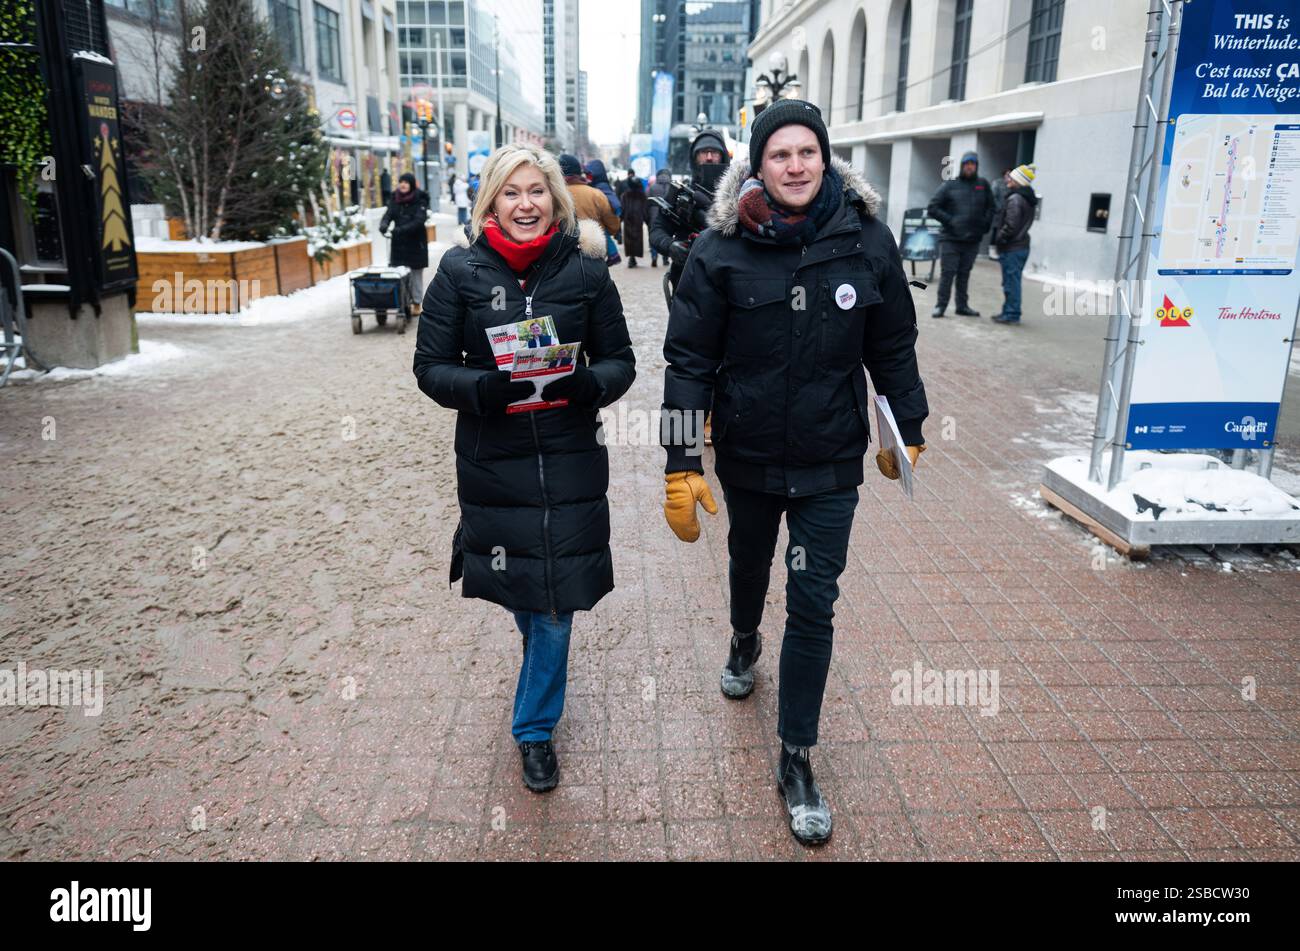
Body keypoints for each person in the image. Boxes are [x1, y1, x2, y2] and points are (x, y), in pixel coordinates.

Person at [660, 99, 928, 847]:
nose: (796, 165)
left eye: (808, 151)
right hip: (746, 452)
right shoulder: (719, 251)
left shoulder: (865, 239)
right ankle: (743, 636)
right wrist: (682, 459)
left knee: (814, 599)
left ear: (825, 157)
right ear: (758, 164)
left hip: (830, 459)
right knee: (750, 563)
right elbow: (687, 362)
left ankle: (797, 756)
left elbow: (895, 341)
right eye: (780, 154)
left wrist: (909, 424)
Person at [413, 144, 636, 794]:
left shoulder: (587, 272)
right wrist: (487, 390)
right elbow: (429, 368)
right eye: (511, 192)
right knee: (531, 599)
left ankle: (533, 731)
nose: (525, 203)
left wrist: (587, 382)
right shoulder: (460, 272)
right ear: (491, 200)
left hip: (568, 459)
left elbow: (621, 360)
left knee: (556, 606)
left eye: (536, 190)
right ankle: (539, 659)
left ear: (555, 199)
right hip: (495, 463)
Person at [649, 128, 730, 299]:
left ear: (723, 156)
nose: (709, 157)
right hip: (689, 281)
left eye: (714, 152)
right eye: (703, 152)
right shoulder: (680, 194)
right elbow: (656, 231)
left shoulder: (738, 193)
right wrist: (671, 246)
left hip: (730, 282)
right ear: (694, 158)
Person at [926, 150, 993, 318]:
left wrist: (985, 225)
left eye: (973, 164)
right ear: (962, 166)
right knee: (948, 274)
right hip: (951, 239)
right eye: (967, 164)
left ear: (976, 167)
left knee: (964, 274)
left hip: (972, 240)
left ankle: (962, 306)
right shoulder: (950, 185)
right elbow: (933, 207)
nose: (970, 167)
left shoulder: (983, 185)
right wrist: (951, 220)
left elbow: (992, 208)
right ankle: (940, 306)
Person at [378, 172, 430, 321]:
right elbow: (388, 214)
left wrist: (401, 229)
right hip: (399, 243)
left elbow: (419, 221)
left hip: (415, 242)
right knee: (399, 273)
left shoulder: (420, 199)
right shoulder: (395, 198)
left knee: (415, 274)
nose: (403, 184)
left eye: (406, 182)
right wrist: (384, 224)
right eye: (401, 182)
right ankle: (402, 301)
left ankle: (416, 302)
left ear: (411, 184)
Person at [990, 164, 1038, 325]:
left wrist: (1000, 239)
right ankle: (1009, 311)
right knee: (1013, 280)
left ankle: (1011, 314)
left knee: (1011, 282)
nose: (1008, 179)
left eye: (1012, 177)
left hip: (1012, 247)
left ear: (1018, 180)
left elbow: (1010, 225)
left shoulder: (1015, 198)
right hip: (1020, 245)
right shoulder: (1026, 197)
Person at [559, 154, 621, 264]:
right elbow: (612, 222)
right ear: (579, 172)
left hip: (562, 251)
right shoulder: (595, 194)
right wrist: (611, 231)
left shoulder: (554, 195)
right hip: (594, 250)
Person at [585, 160, 623, 266]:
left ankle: (614, 254)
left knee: (603, 231)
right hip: (611, 212)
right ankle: (613, 254)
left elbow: (609, 199)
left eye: (589, 175)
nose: (588, 178)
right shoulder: (602, 183)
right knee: (604, 232)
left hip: (610, 211)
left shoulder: (600, 185)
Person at [646, 168, 672, 268]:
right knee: (666, 236)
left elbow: (647, 203)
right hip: (667, 216)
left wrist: (647, 218)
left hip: (653, 215)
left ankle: (654, 257)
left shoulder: (652, 187)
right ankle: (665, 259)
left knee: (654, 236)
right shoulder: (671, 187)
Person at [621, 174, 648, 268]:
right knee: (637, 239)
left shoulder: (625, 195)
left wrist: (621, 218)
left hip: (628, 219)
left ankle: (632, 258)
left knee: (629, 239)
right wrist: (646, 218)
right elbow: (645, 209)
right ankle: (632, 259)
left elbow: (623, 208)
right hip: (637, 219)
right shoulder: (642, 195)